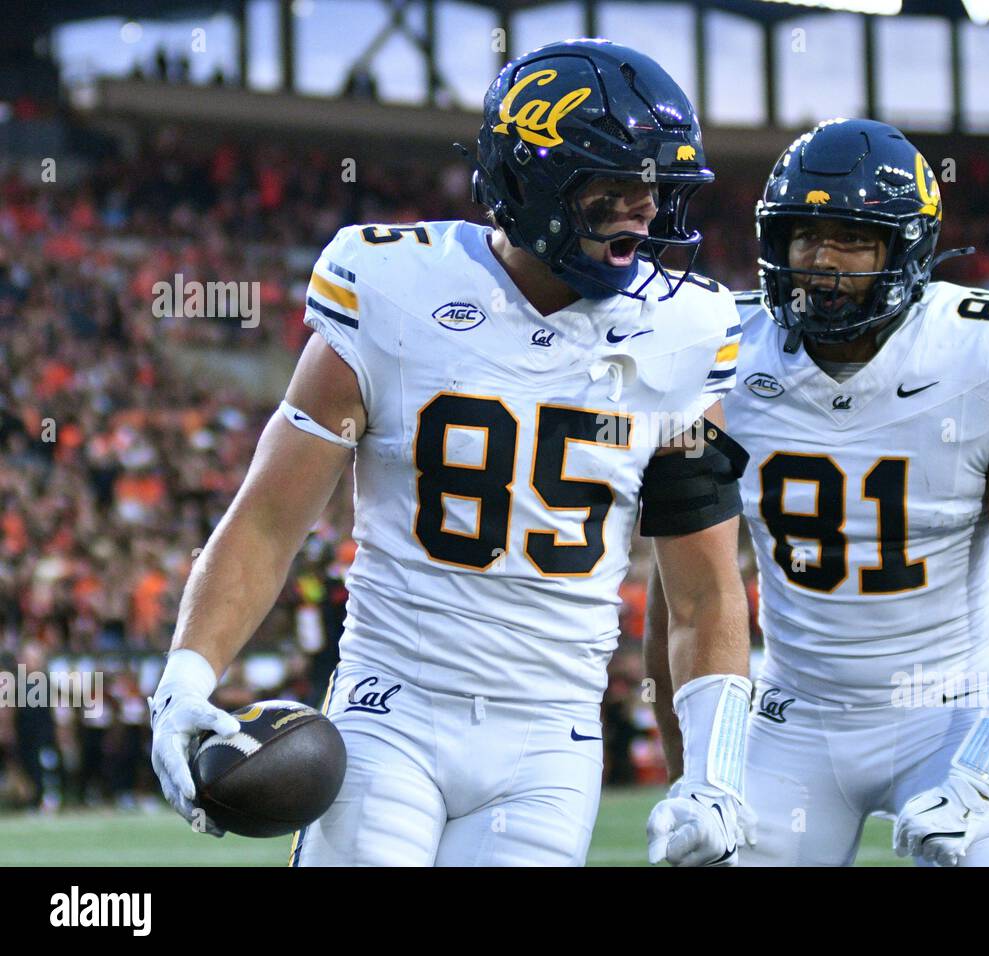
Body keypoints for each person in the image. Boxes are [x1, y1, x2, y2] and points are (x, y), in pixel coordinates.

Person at [148, 39, 754, 867]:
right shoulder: (394, 287)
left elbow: (704, 594)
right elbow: (267, 520)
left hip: (552, 738)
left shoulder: (685, 333)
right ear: (533, 180)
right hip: (391, 708)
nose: (643, 213)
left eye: (652, 189)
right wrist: (185, 678)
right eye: (614, 189)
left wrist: (714, 775)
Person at [646, 118, 989, 866]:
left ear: (905, 246)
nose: (817, 259)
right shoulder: (721, 348)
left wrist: (977, 778)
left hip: (953, 715)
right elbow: (681, 595)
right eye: (801, 234)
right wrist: (698, 773)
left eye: (849, 236)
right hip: (793, 720)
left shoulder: (986, 348)